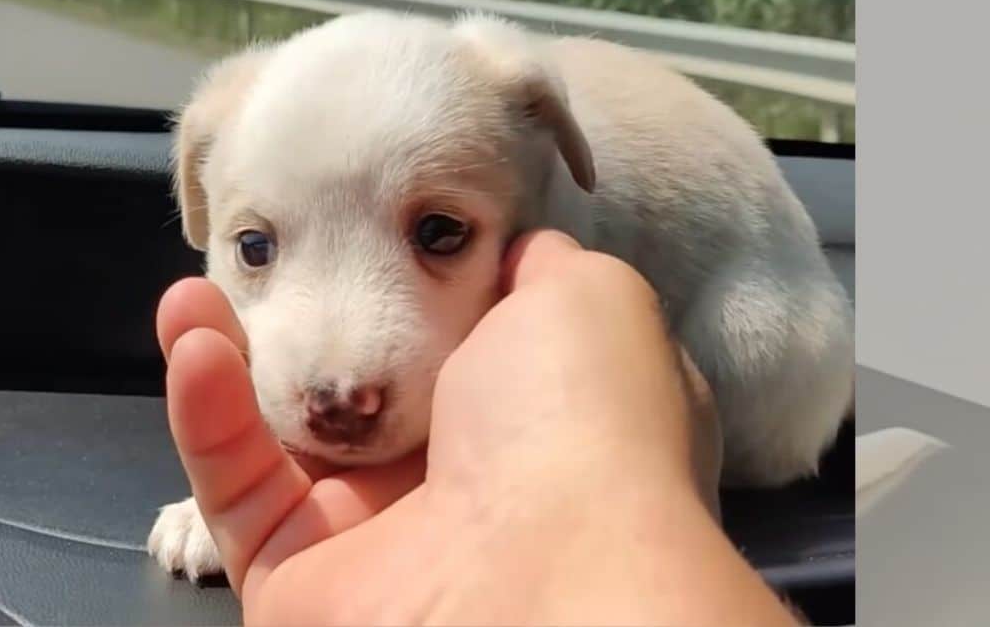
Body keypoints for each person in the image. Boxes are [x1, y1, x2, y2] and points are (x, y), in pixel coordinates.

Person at [156, 229, 801, 626]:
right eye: (258, 249)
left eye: (437, 233)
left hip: (776, 374)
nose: (344, 377)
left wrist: (612, 506)